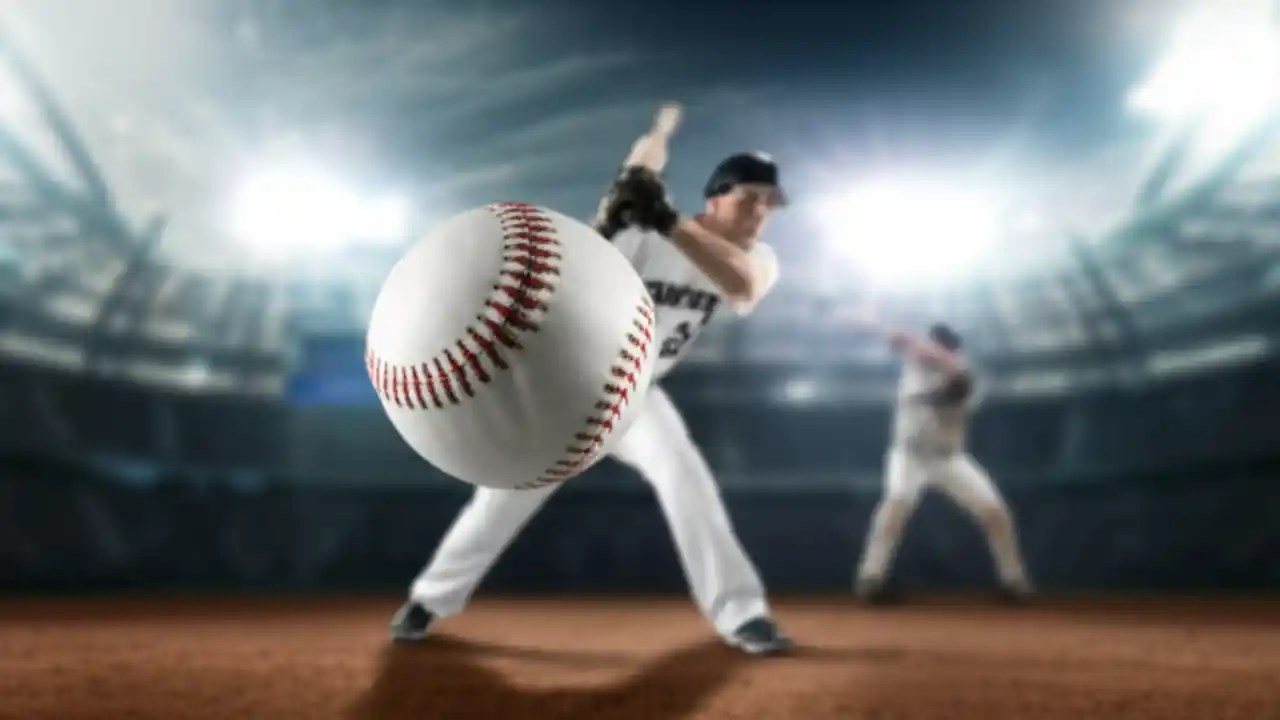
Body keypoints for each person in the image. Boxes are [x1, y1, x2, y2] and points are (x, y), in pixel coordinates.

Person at [389, 109, 792, 655]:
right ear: (715, 196)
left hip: (638, 393)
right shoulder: (646, 237)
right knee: (503, 497)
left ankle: (741, 613)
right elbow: (582, 272)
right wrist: (613, 218)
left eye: (771, 203)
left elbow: (742, 286)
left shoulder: (756, 257)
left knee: (685, 476)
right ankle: (430, 599)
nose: (762, 211)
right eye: (750, 197)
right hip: (574, 383)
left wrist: (664, 216)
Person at [848, 314, 1034, 603]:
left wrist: (919, 343)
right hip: (908, 456)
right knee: (897, 502)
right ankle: (871, 578)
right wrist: (875, 324)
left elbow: (956, 382)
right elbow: (899, 339)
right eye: (935, 342)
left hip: (949, 460)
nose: (935, 348)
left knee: (994, 511)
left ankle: (1013, 580)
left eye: (944, 344)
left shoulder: (964, 371)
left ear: (954, 348)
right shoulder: (914, 365)